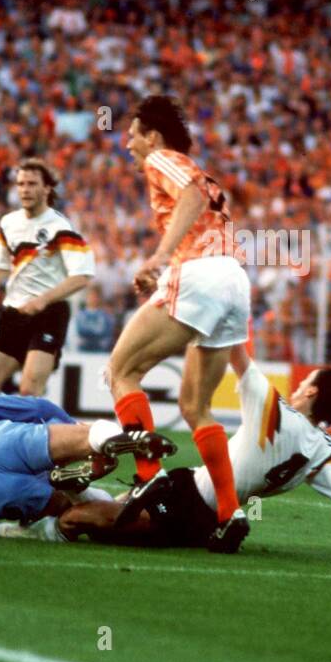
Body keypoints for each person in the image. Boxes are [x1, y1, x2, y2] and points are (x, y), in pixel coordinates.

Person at [53, 345, 331, 557]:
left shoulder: (275, 412)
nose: (297, 386)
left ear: (311, 390)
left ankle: (54, 505)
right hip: (206, 507)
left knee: (78, 520)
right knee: (101, 510)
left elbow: (236, 352)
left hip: (188, 504)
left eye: (304, 382)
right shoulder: (325, 450)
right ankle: (69, 489)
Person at [106, 95, 253, 553]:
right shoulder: (204, 172)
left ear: (152, 135)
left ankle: (148, 476)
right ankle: (229, 512)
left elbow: (188, 194)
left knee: (121, 371)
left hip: (198, 272)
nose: (127, 144)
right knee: (195, 407)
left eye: (131, 135)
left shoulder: (163, 158)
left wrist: (160, 258)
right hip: (234, 281)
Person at [0, 388, 176, 531]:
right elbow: (35, 407)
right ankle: (100, 443)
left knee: (78, 509)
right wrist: (68, 428)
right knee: (87, 435)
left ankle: (143, 520)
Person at [0, 159, 93, 396]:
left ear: (47, 188)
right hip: (14, 313)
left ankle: (39, 429)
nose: (25, 190)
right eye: (20, 184)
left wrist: (43, 300)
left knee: (29, 390)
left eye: (32, 184)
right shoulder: (9, 223)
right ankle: (10, 428)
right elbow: (0, 267)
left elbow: (82, 276)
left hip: (49, 314)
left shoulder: (60, 226)